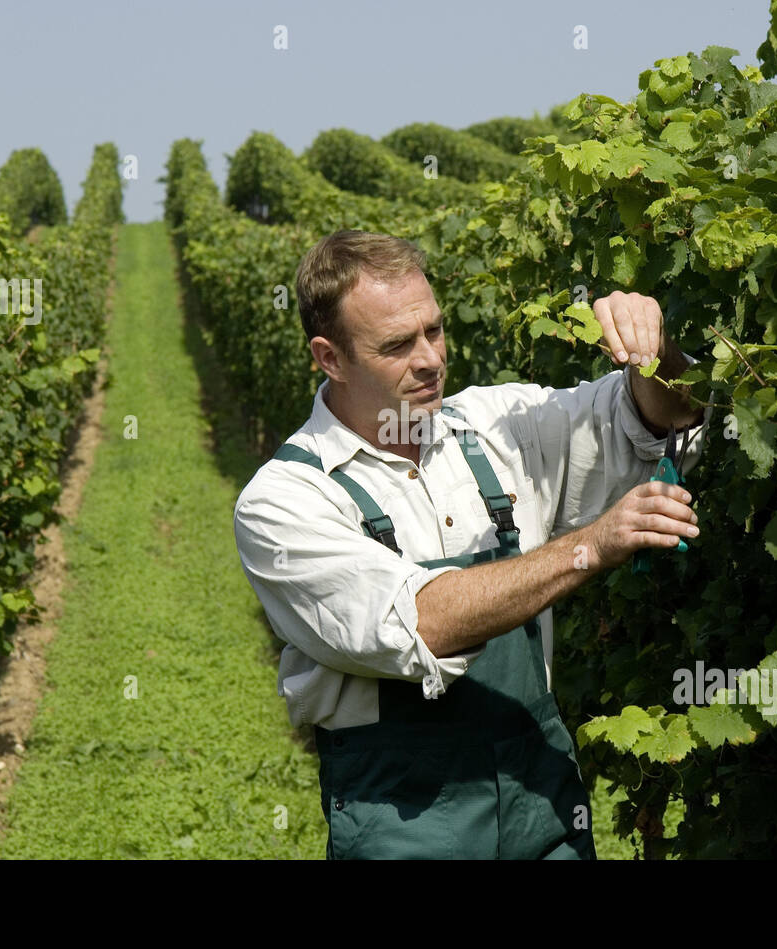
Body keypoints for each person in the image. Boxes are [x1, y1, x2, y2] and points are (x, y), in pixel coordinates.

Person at [233, 230, 712, 859]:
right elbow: (422, 621)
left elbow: (662, 418)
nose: (430, 358)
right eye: (397, 345)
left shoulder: (494, 425)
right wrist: (591, 546)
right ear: (331, 358)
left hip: (540, 806)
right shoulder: (285, 502)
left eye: (433, 330)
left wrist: (654, 353)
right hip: (408, 829)